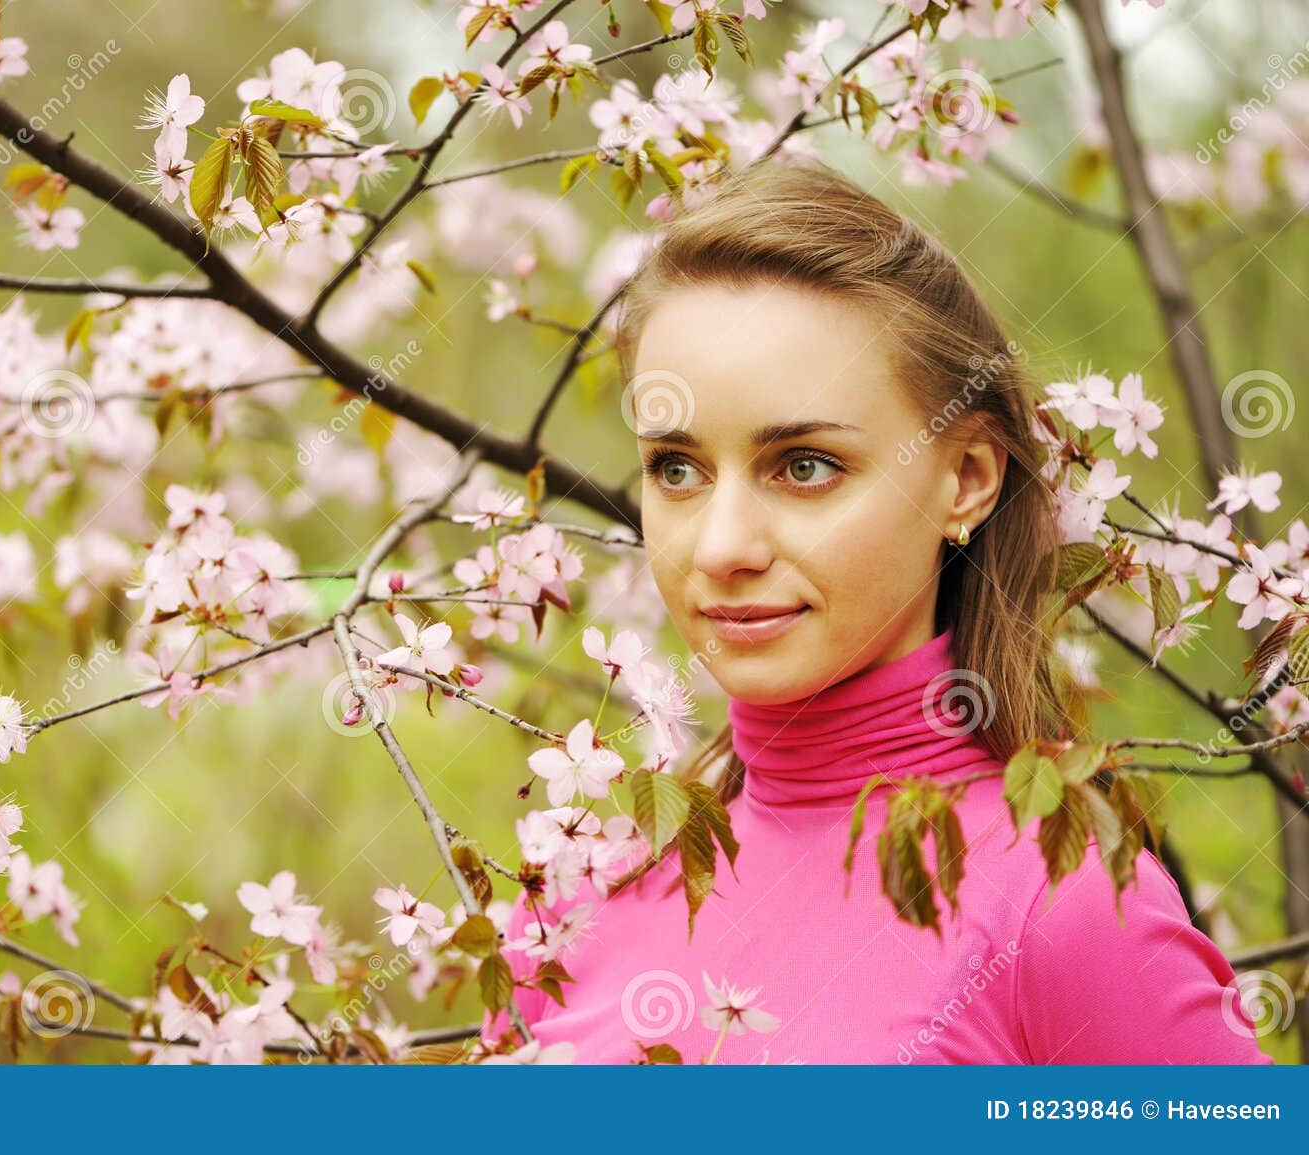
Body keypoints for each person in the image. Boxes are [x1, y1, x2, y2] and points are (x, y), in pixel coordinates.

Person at [478, 160, 1274, 1065]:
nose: (719, 547)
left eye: (805, 465)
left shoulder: (1062, 906)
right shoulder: (584, 887)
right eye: (677, 468)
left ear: (966, 478)